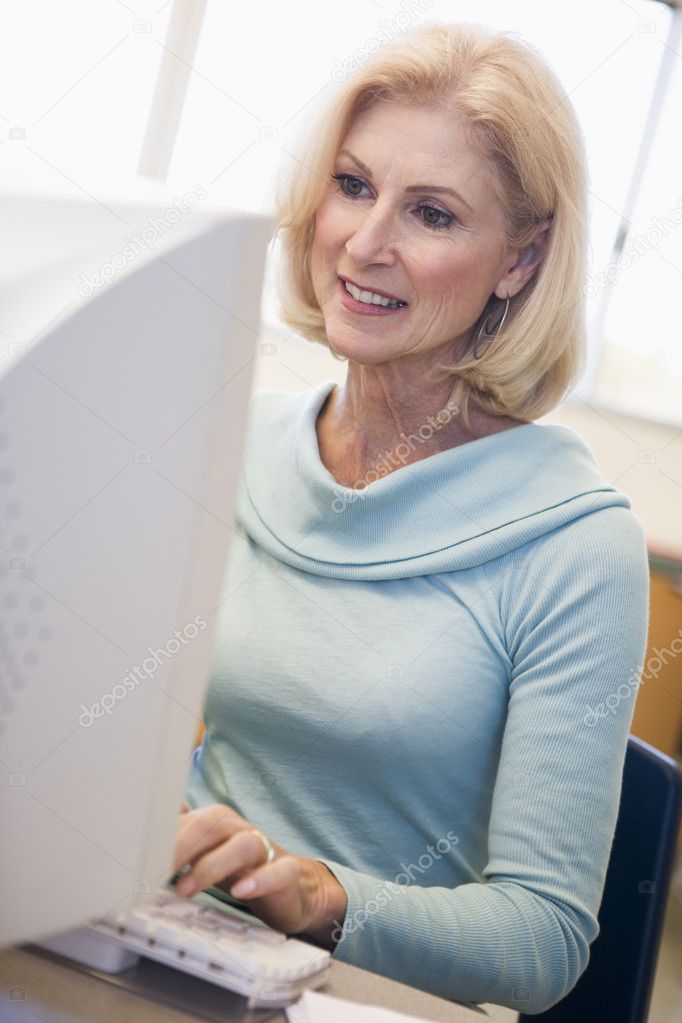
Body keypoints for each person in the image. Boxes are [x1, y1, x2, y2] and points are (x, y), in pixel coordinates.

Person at [173, 22, 650, 1015]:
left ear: (519, 261)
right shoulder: (239, 442)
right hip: (179, 948)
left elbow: (542, 939)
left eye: (429, 213)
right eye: (352, 186)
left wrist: (316, 892)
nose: (365, 240)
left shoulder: (574, 546)